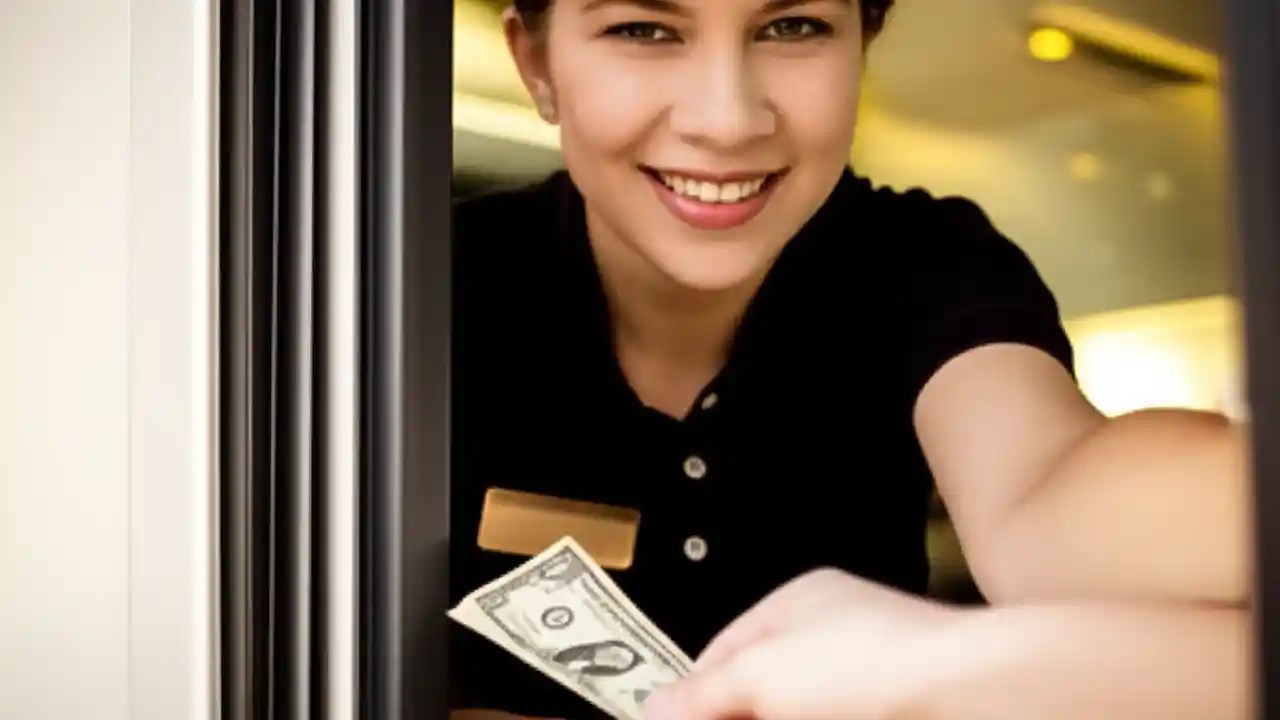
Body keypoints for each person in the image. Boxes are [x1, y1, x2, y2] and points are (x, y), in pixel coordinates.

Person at [448, 0, 1252, 717]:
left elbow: (1047, 494)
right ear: (537, 64)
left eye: (793, 27)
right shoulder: (425, 284)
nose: (727, 119)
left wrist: (942, 663)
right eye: (643, 29)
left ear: (864, 43)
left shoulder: (924, 260)